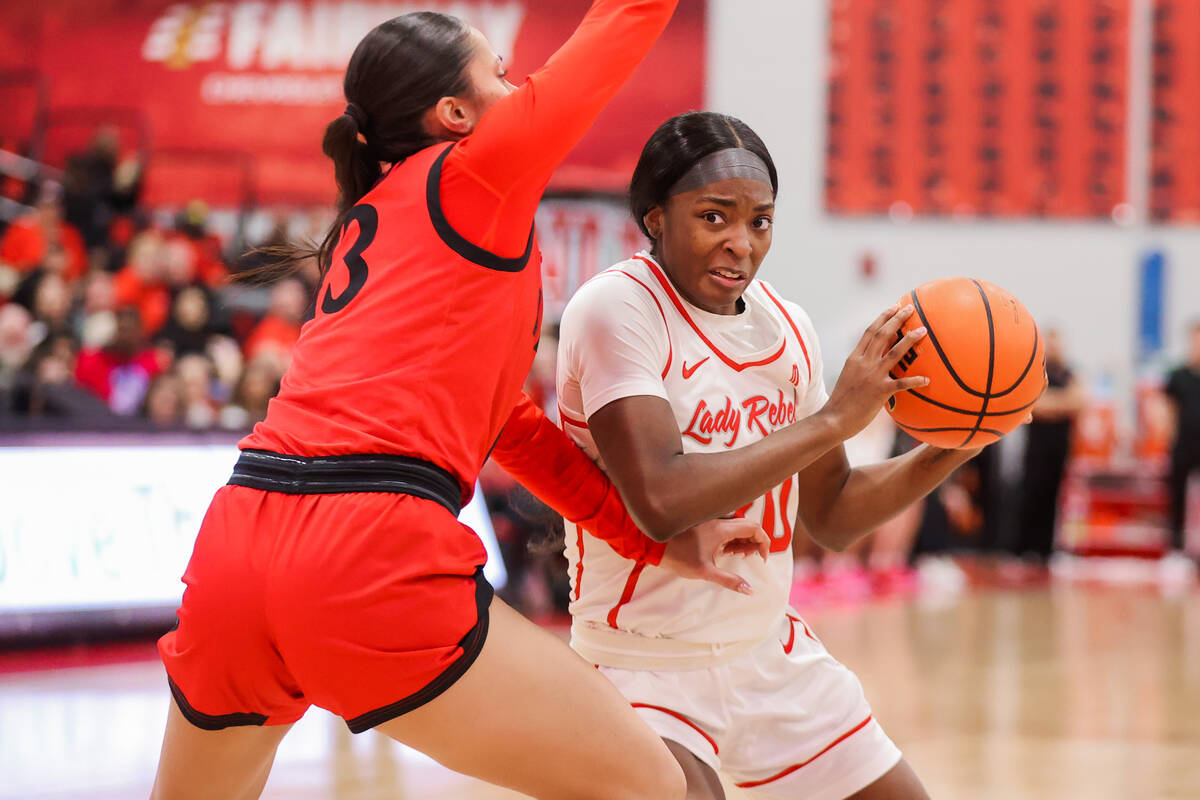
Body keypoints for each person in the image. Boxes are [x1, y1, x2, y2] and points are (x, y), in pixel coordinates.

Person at [151, 7, 764, 800]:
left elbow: (510, 427)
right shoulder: (474, 173)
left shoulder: (382, 222)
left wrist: (651, 537)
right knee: (670, 789)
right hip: (365, 550)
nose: (521, 87)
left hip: (238, 543)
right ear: (455, 116)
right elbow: (615, 36)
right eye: (503, 74)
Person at [556, 111, 1018, 799]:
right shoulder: (615, 310)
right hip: (640, 665)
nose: (741, 243)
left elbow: (830, 515)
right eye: (714, 218)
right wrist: (834, 419)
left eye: (760, 222)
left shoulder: (788, 328)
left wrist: (950, 447)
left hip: (772, 654)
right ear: (655, 218)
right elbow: (661, 499)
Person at [1014, 328, 1085, 565]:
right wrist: (1060, 404)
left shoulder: (1069, 372)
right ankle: (1023, 550)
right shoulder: (1032, 372)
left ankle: (1047, 551)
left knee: (1054, 499)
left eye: (1057, 342)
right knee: (1031, 495)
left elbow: (1079, 401)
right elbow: (1031, 406)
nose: (1053, 347)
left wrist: (1050, 404)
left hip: (1060, 448)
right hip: (1035, 450)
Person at [1165, 320, 1200, 560]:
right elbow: (1168, 409)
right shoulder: (1178, 375)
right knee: (1177, 491)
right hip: (1183, 442)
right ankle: (1176, 544)